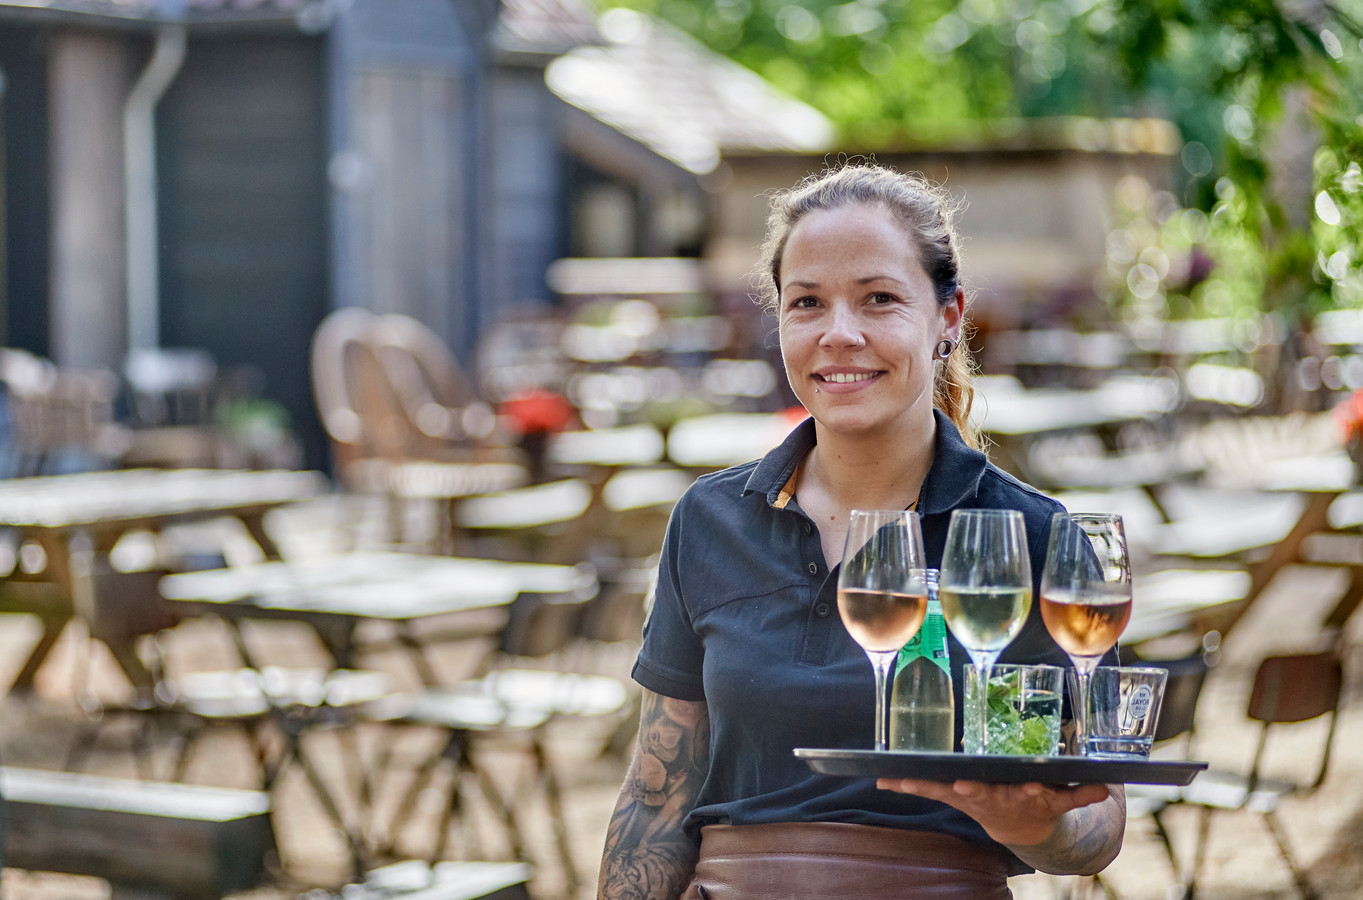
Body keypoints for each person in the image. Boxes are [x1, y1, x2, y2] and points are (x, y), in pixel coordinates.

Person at [597, 163, 1125, 900]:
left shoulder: (1030, 537)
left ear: (946, 317)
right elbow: (655, 796)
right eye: (806, 303)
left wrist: (1032, 826)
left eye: (878, 299)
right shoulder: (709, 521)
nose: (838, 334)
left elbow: (1096, 829)